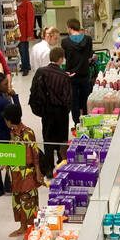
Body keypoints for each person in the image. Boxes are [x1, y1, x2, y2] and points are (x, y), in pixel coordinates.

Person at [29, 45, 73, 177]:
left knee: (47, 139)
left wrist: (40, 109)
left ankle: (48, 168)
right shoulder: (64, 76)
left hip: (46, 112)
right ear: (61, 59)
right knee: (62, 140)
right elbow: (68, 98)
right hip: (60, 113)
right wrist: (66, 110)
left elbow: (34, 91)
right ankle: (63, 164)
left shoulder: (41, 72)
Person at [4, 104, 44, 238]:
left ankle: (33, 229)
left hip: (27, 173)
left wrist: (38, 172)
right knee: (18, 201)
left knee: (29, 201)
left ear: (9, 120)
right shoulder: (12, 133)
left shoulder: (28, 133)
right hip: (15, 174)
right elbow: (11, 151)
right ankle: (22, 227)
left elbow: (35, 153)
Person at [61, 18, 95, 124]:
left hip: (71, 75)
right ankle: (86, 120)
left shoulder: (65, 42)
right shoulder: (88, 39)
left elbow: (66, 57)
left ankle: (76, 123)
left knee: (74, 101)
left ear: (70, 28)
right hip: (85, 73)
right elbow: (90, 56)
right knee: (85, 98)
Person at [13, 0, 36, 76]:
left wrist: (30, 34)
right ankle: (25, 65)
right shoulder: (14, 4)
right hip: (16, 31)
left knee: (24, 49)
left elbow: (30, 20)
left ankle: (26, 67)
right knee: (20, 49)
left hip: (24, 31)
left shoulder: (27, 4)